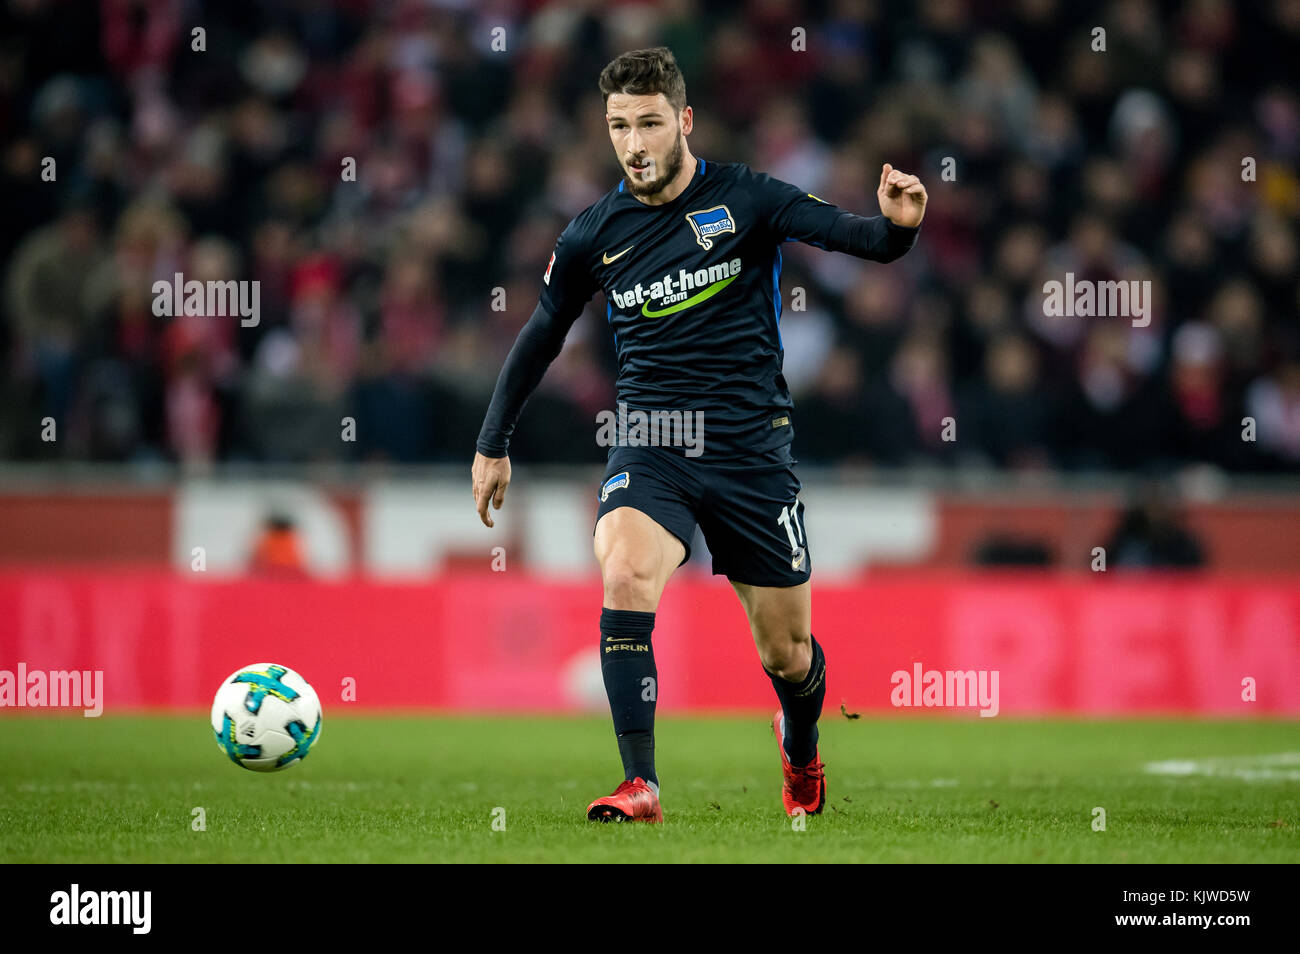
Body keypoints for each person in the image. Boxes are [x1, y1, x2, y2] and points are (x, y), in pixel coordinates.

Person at [471, 47, 926, 822]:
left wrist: (899, 227)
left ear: (683, 121)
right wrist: (493, 440)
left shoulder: (746, 198)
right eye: (619, 126)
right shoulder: (592, 235)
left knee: (786, 654)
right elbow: (541, 334)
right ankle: (641, 784)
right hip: (652, 436)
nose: (634, 143)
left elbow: (857, 237)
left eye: (649, 123)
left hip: (752, 449)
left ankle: (800, 747)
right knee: (623, 573)